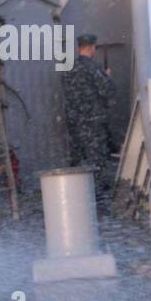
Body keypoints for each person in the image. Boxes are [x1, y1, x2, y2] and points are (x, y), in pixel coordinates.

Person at [61, 33, 116, 190]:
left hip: (73, 120)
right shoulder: (93, 67)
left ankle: (76, 190)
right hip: (93, 120)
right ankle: (96, 193)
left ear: (79, 47)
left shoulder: (68, 67)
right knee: (97, 157)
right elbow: (109, 91)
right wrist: (108, 77)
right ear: (92, 47)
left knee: (77, 155)